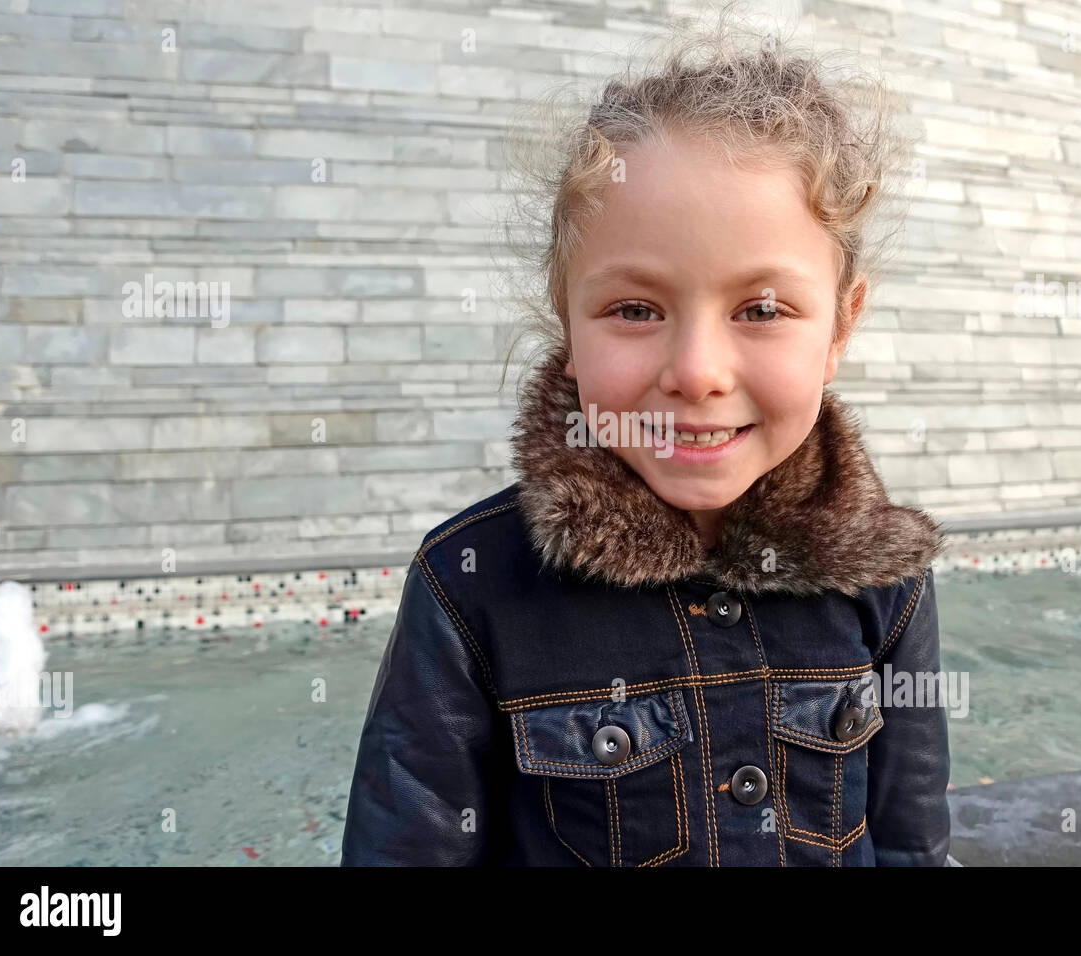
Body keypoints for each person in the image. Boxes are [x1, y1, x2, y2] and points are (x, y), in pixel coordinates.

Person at [341, 16, 950, 867]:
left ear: (842, 323)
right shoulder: (469, 586)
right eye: (635, 309)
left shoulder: (886, 575)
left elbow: (911, 843)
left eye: (762, 310)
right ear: (567, 314)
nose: (696, 372)